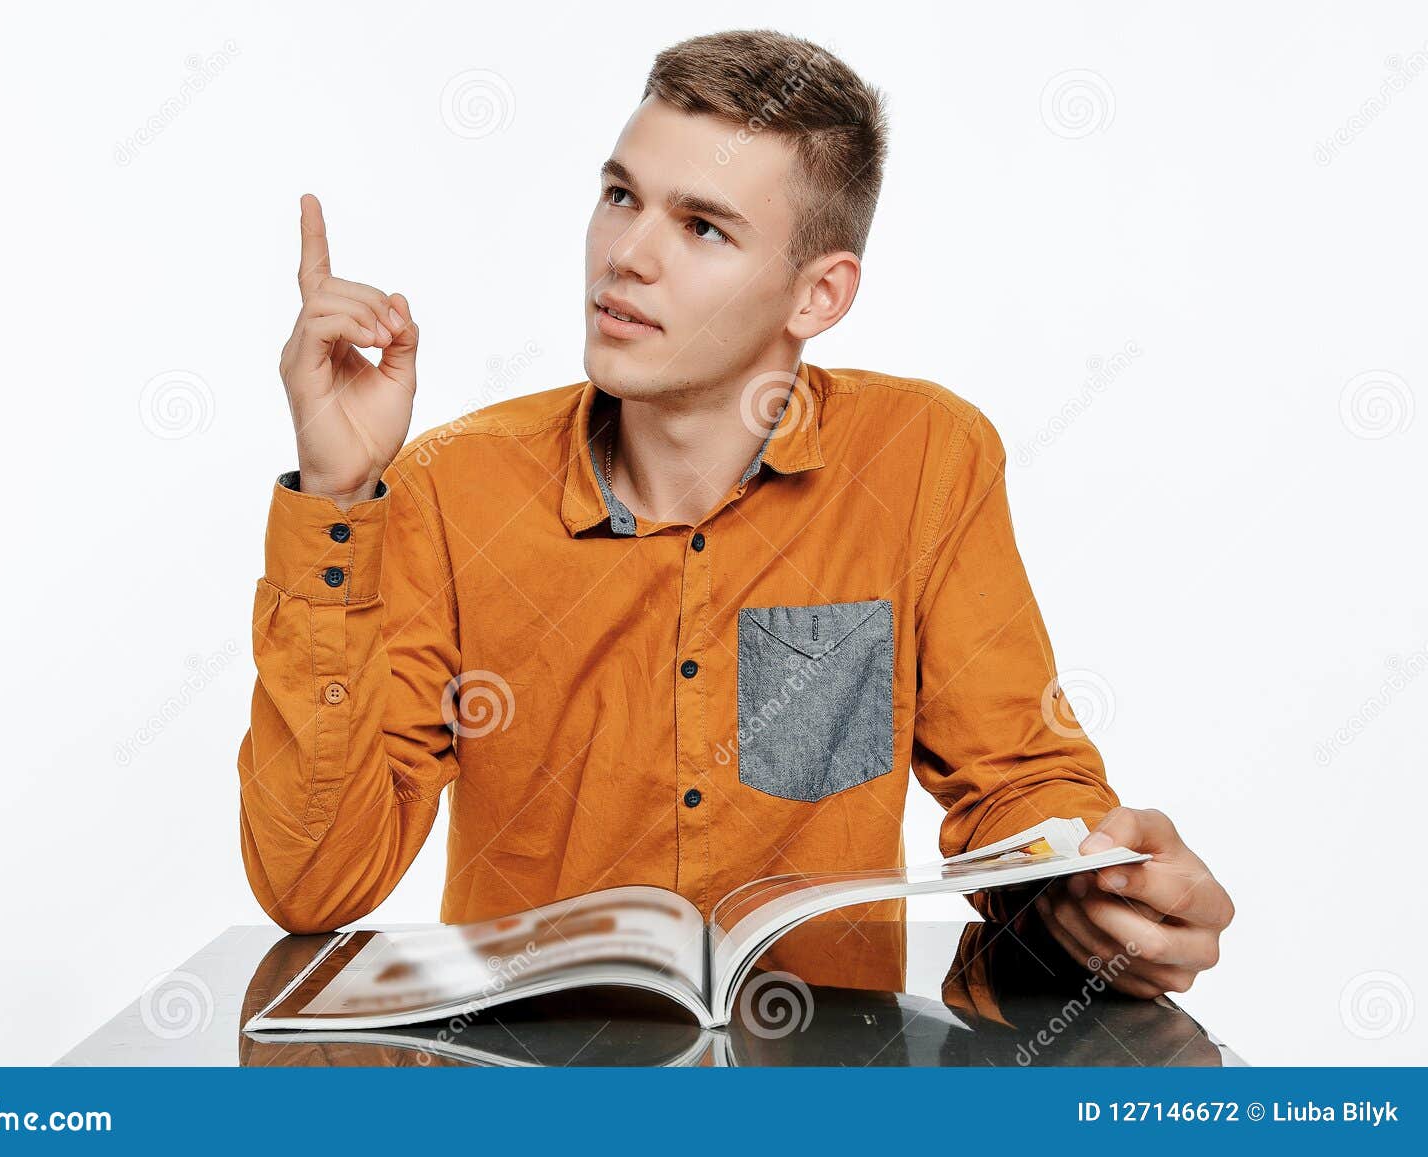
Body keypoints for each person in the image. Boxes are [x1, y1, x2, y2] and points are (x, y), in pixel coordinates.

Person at [239, 29, 1233, 999]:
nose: (626, 255)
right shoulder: (453, 486)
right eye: (620, 195)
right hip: (539, 1097)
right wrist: (335, 501)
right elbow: (313, 881)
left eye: (701, 226)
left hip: (816, 1095)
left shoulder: (922, 459)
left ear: (817, 294)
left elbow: (1016, 784)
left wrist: (1096, 878)